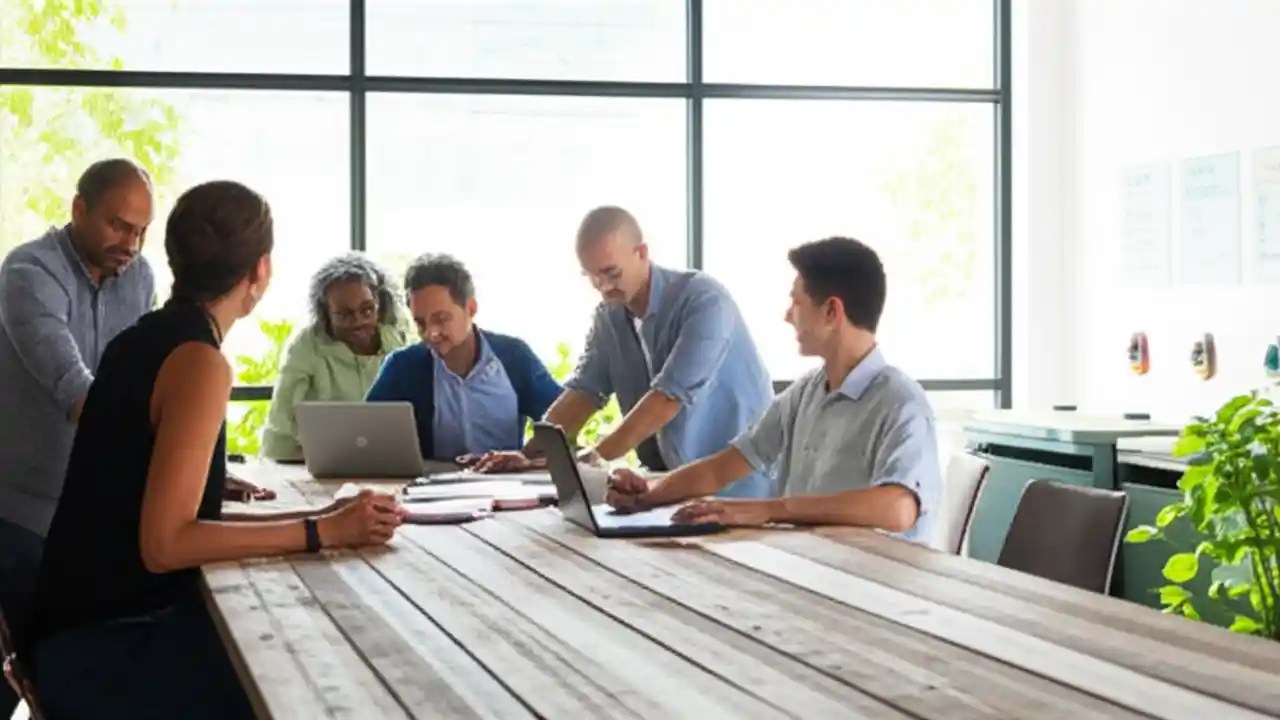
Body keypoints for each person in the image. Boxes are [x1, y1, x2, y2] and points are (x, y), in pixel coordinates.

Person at [26, 180, 403, 718]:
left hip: (74, 631)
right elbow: (165, 544)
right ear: (260, 270)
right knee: (324, 685)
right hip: (104, 647)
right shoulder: (199, 362)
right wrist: (321, 533)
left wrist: (324, 518)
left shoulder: (143, 337)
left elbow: (138, 491)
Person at [605, 237, 941, 543]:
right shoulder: (806, 393)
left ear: (831, 311)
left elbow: (898, 508)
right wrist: (646, 496)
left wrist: (769, 510)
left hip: (875, 581)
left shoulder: (900, 401)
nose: (787, 315)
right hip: (811, 569)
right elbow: (719, 469)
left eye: (796, 302)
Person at [473, 206, 774, 499]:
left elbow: (667, 398)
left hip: (742, 489)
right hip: (669, 484)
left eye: (611, 273)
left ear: (641, 253)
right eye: (592, 277)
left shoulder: (705, 300)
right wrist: (530, 454)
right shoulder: (610, 316)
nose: (603, 287)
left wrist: (591, 460)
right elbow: (584, 392)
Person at [0, 158, 157, 718]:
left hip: (90, 513)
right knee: (8, 677)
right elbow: (79, 394)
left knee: (67, 678)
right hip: (19, 515)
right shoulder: (27, 274)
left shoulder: (139, 277)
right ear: (78, 209)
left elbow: (141, 382)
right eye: (118, 225)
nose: (130, 244)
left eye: (141, 231)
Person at [365, 253, 562, 461]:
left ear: (471, 309)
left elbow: (560, 424)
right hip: (434, 480)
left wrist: (527, 457)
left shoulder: (514, 357)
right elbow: (366, 434)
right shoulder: (403, 366)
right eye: (420, 323)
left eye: (441, 319)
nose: (431, 333)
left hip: (504, 478)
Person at [262, 252, 410, 460]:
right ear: (325, 314)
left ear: (380, 302)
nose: (358, 321)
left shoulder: (399, 342)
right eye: (344, 314)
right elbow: (280, 429)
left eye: (367, 309)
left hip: (388, 461)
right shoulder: (307, 346)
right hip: (315, 464)